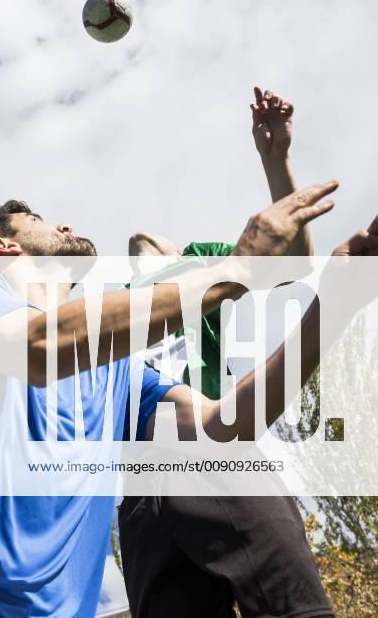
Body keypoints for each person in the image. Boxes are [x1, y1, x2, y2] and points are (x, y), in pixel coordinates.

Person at [0, 89, 375, 617]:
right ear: (2, 246)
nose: (63, 225)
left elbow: (228, 426)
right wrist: (237, 272)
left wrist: (335, 304)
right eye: (38, 219)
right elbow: (37, 348)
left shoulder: (119, 370)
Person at [119, 88, 336, 617]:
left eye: (155, 243)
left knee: (285, 600)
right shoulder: (115, 308)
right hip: (137, 479)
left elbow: (290, 261)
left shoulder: (202, 264)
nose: (141, 241)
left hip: (206, 440)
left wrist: (275, 159)